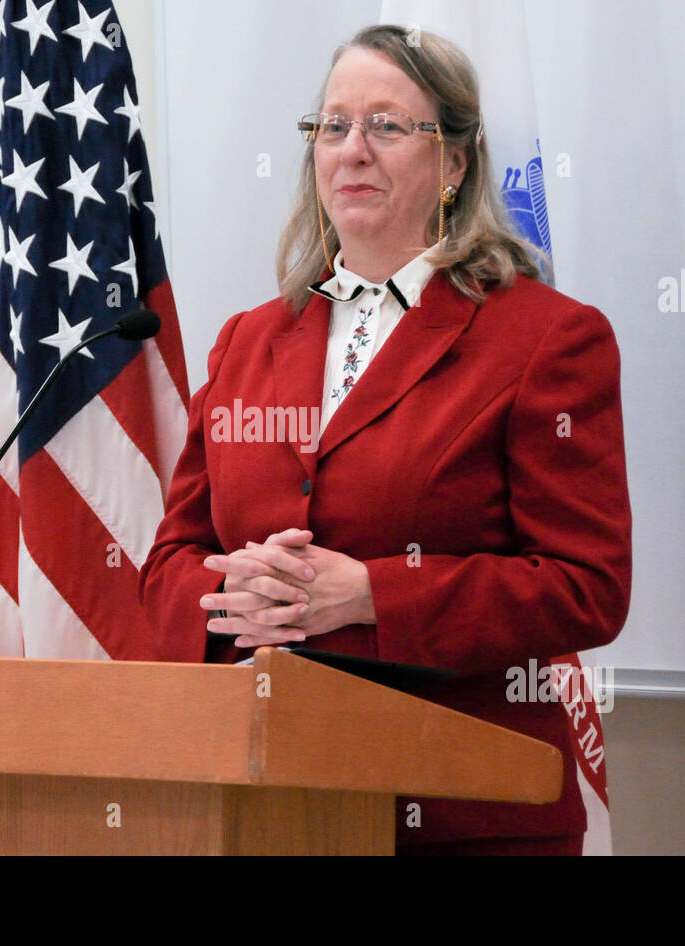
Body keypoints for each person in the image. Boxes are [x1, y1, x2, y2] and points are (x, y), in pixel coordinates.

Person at [137, 24, 632, 855]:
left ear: (455, 163)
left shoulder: (547, 338)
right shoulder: (246, 342)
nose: (352, 151)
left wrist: (370, 595)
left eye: (388, 126)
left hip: (465, 816)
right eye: (333, 128)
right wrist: (232, 597)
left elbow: (586, 586)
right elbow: (168, 568)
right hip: (263, 811)